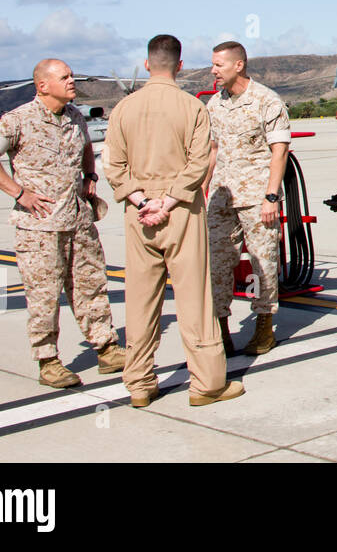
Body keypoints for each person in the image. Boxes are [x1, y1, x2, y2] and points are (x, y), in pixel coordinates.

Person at [104, 34, 244, 408]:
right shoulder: (193, 108)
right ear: (180, 66)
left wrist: (142, 200)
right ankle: (207, 384)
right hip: (180, 208)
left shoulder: (123, 109)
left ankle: (139, 383)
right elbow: (200, 163)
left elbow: (113, 167)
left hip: (139, 212)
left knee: (140, 297)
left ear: (147, 64)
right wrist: (167, 201)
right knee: (194, 297)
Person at [0, 59, 124, 387]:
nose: (72, 81)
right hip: (40, 227)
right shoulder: (18, 120)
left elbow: (86, 147)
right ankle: (48, 360)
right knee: (43, 294)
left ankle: (107, 348)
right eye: (65, 77)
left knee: (91, 285)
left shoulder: (74, 116)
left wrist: (91, 176)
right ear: (43, 85)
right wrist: (19, 193)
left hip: (78, 220)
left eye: (71, 76)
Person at [205, 41, 290, 356]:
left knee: (262, 263)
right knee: (217, 264)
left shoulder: (266, 100)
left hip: (256, 198)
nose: (213, 71)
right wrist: (204, 190)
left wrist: (271, 196)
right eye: (213, 65)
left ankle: (264, 328)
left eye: (218, 65)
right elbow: (212, 151)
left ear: (238, 65)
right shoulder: (215, 104)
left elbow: (279, 151)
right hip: (221, 199)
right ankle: (221, 331)